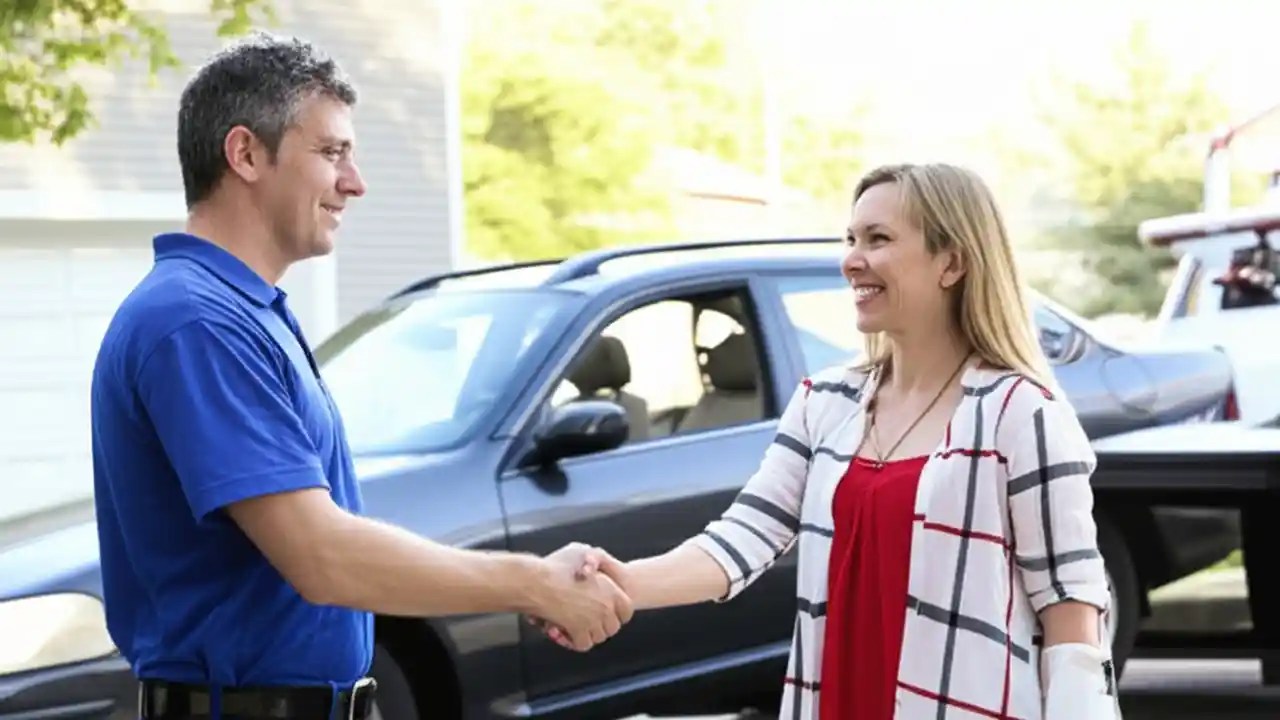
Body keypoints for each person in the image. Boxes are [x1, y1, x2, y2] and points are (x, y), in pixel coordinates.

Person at [89, 32, 630, 719]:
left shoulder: (242, 313)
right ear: (246, 153)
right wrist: (533, 583)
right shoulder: (196, 323)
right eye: (331, 152)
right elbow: (321, 556)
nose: (355, 181)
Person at [539, 163, 1121, 719]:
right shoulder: (825, 402)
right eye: (850, 238)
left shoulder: (1021, 413)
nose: (851, 260)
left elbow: (1070, 602)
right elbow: (744, 537)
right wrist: (624, 583)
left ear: (951, 263)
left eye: (878, 238)